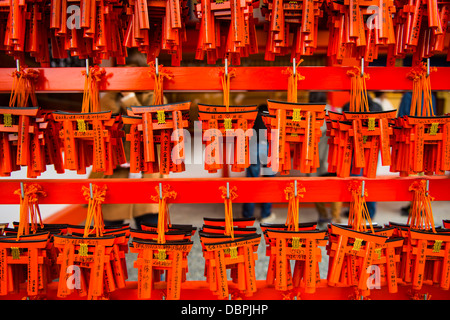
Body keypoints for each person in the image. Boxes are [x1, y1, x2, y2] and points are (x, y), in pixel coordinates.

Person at [89, 82, 169, 229]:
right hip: (113, 172)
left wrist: (130, 99)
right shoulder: (109, 98)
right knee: (107, 230)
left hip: (147, 170)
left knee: (151, 228)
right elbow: (101, 121)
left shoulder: (155, 98)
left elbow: (151, 125)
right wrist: (115, 94)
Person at [342, 95, 383, 220]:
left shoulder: (348, 107)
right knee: (370, 178)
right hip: (373, 148)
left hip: (354, 147)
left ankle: (356, 210)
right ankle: (369, 212)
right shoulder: (377, 107)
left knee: (356, 179)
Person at [308, 92, 342, 226]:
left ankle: (323, 216)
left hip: (314, 156)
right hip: (332, 156)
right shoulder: (336, 111)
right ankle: (335, 217)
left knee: (316, 187)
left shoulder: (309, 113)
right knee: (335, 187)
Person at [241, 104, 276, 223]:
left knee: (251, 182)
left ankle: (248, 215)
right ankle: (265, 215)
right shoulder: (272, 117)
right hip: (268, 148)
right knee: (269, 182)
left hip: (253, 148)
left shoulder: (253, 117)